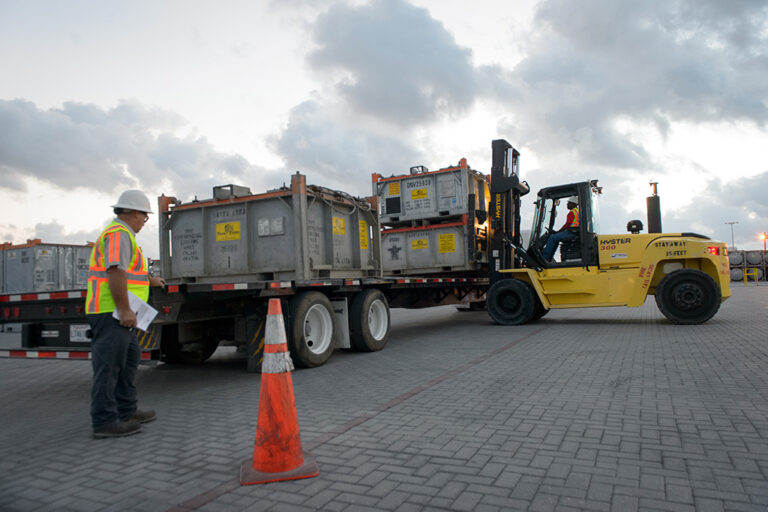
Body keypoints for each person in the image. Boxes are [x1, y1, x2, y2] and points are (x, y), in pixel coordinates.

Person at [85, 190, 165, 438]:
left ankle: (127, 410)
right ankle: (105, 422)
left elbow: (128, 273)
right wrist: (124, 310)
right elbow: (116, 272)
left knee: (129, 359)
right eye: (145, 216)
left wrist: (150, 280)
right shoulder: (119, 235)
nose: (145, 221)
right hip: (111, 312)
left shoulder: (124, 236)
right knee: (108, 367)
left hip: (117, 312)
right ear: (132, 212)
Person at [542, 196, 580, 261]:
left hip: (572, 232)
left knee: (553, 237)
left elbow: (567, 225)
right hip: (575, 232)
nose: (567, 204)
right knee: (556, 238)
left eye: (569, 203)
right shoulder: (578, 211)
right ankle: (549, 258)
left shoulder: (572, 212)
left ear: (574, 204)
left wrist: (558, 232)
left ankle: (545, 257)